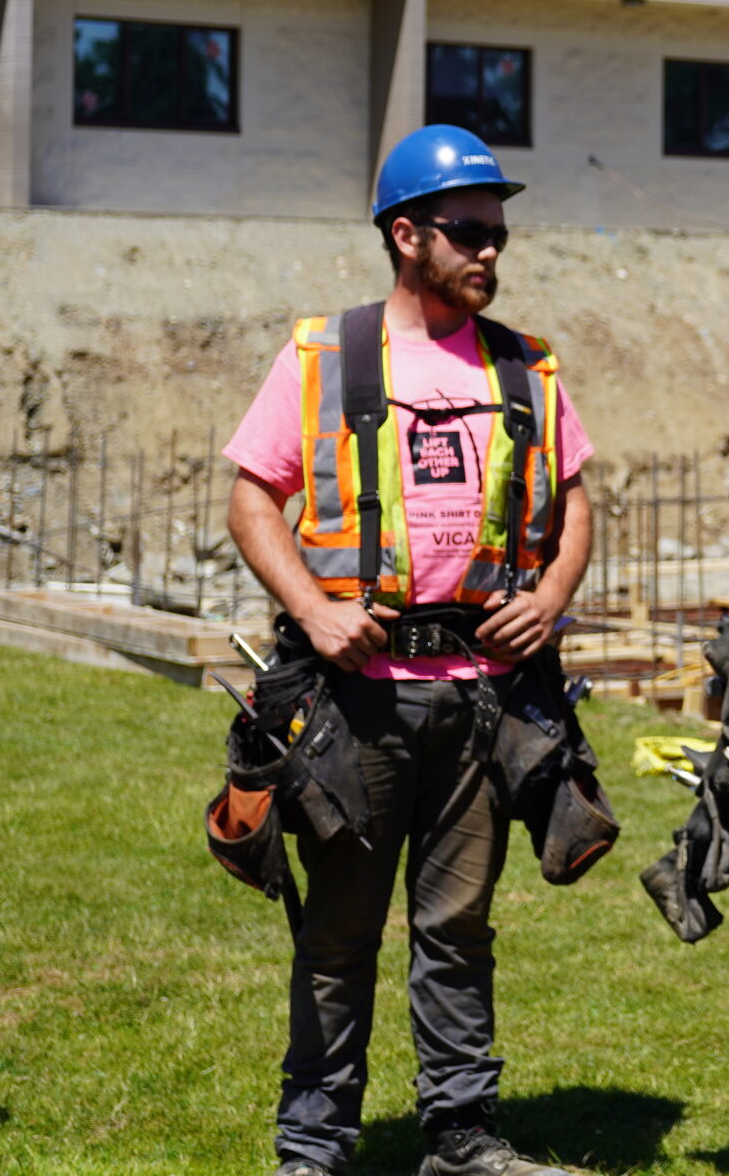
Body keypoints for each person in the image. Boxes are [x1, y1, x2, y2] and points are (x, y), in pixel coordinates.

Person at [223, 125, 598, 1176]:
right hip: (355, 702)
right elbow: (254, 497)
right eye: (468, 231)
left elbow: (576, 504)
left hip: (481, 698)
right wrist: (315, 608)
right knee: (339, 936)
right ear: (406, 235)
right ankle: (315, 1148)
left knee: (458, 930)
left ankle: (461, 1137)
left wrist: (555, 593)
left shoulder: (526, 365)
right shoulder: (324, 356)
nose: (490, 251)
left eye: (499, 233)